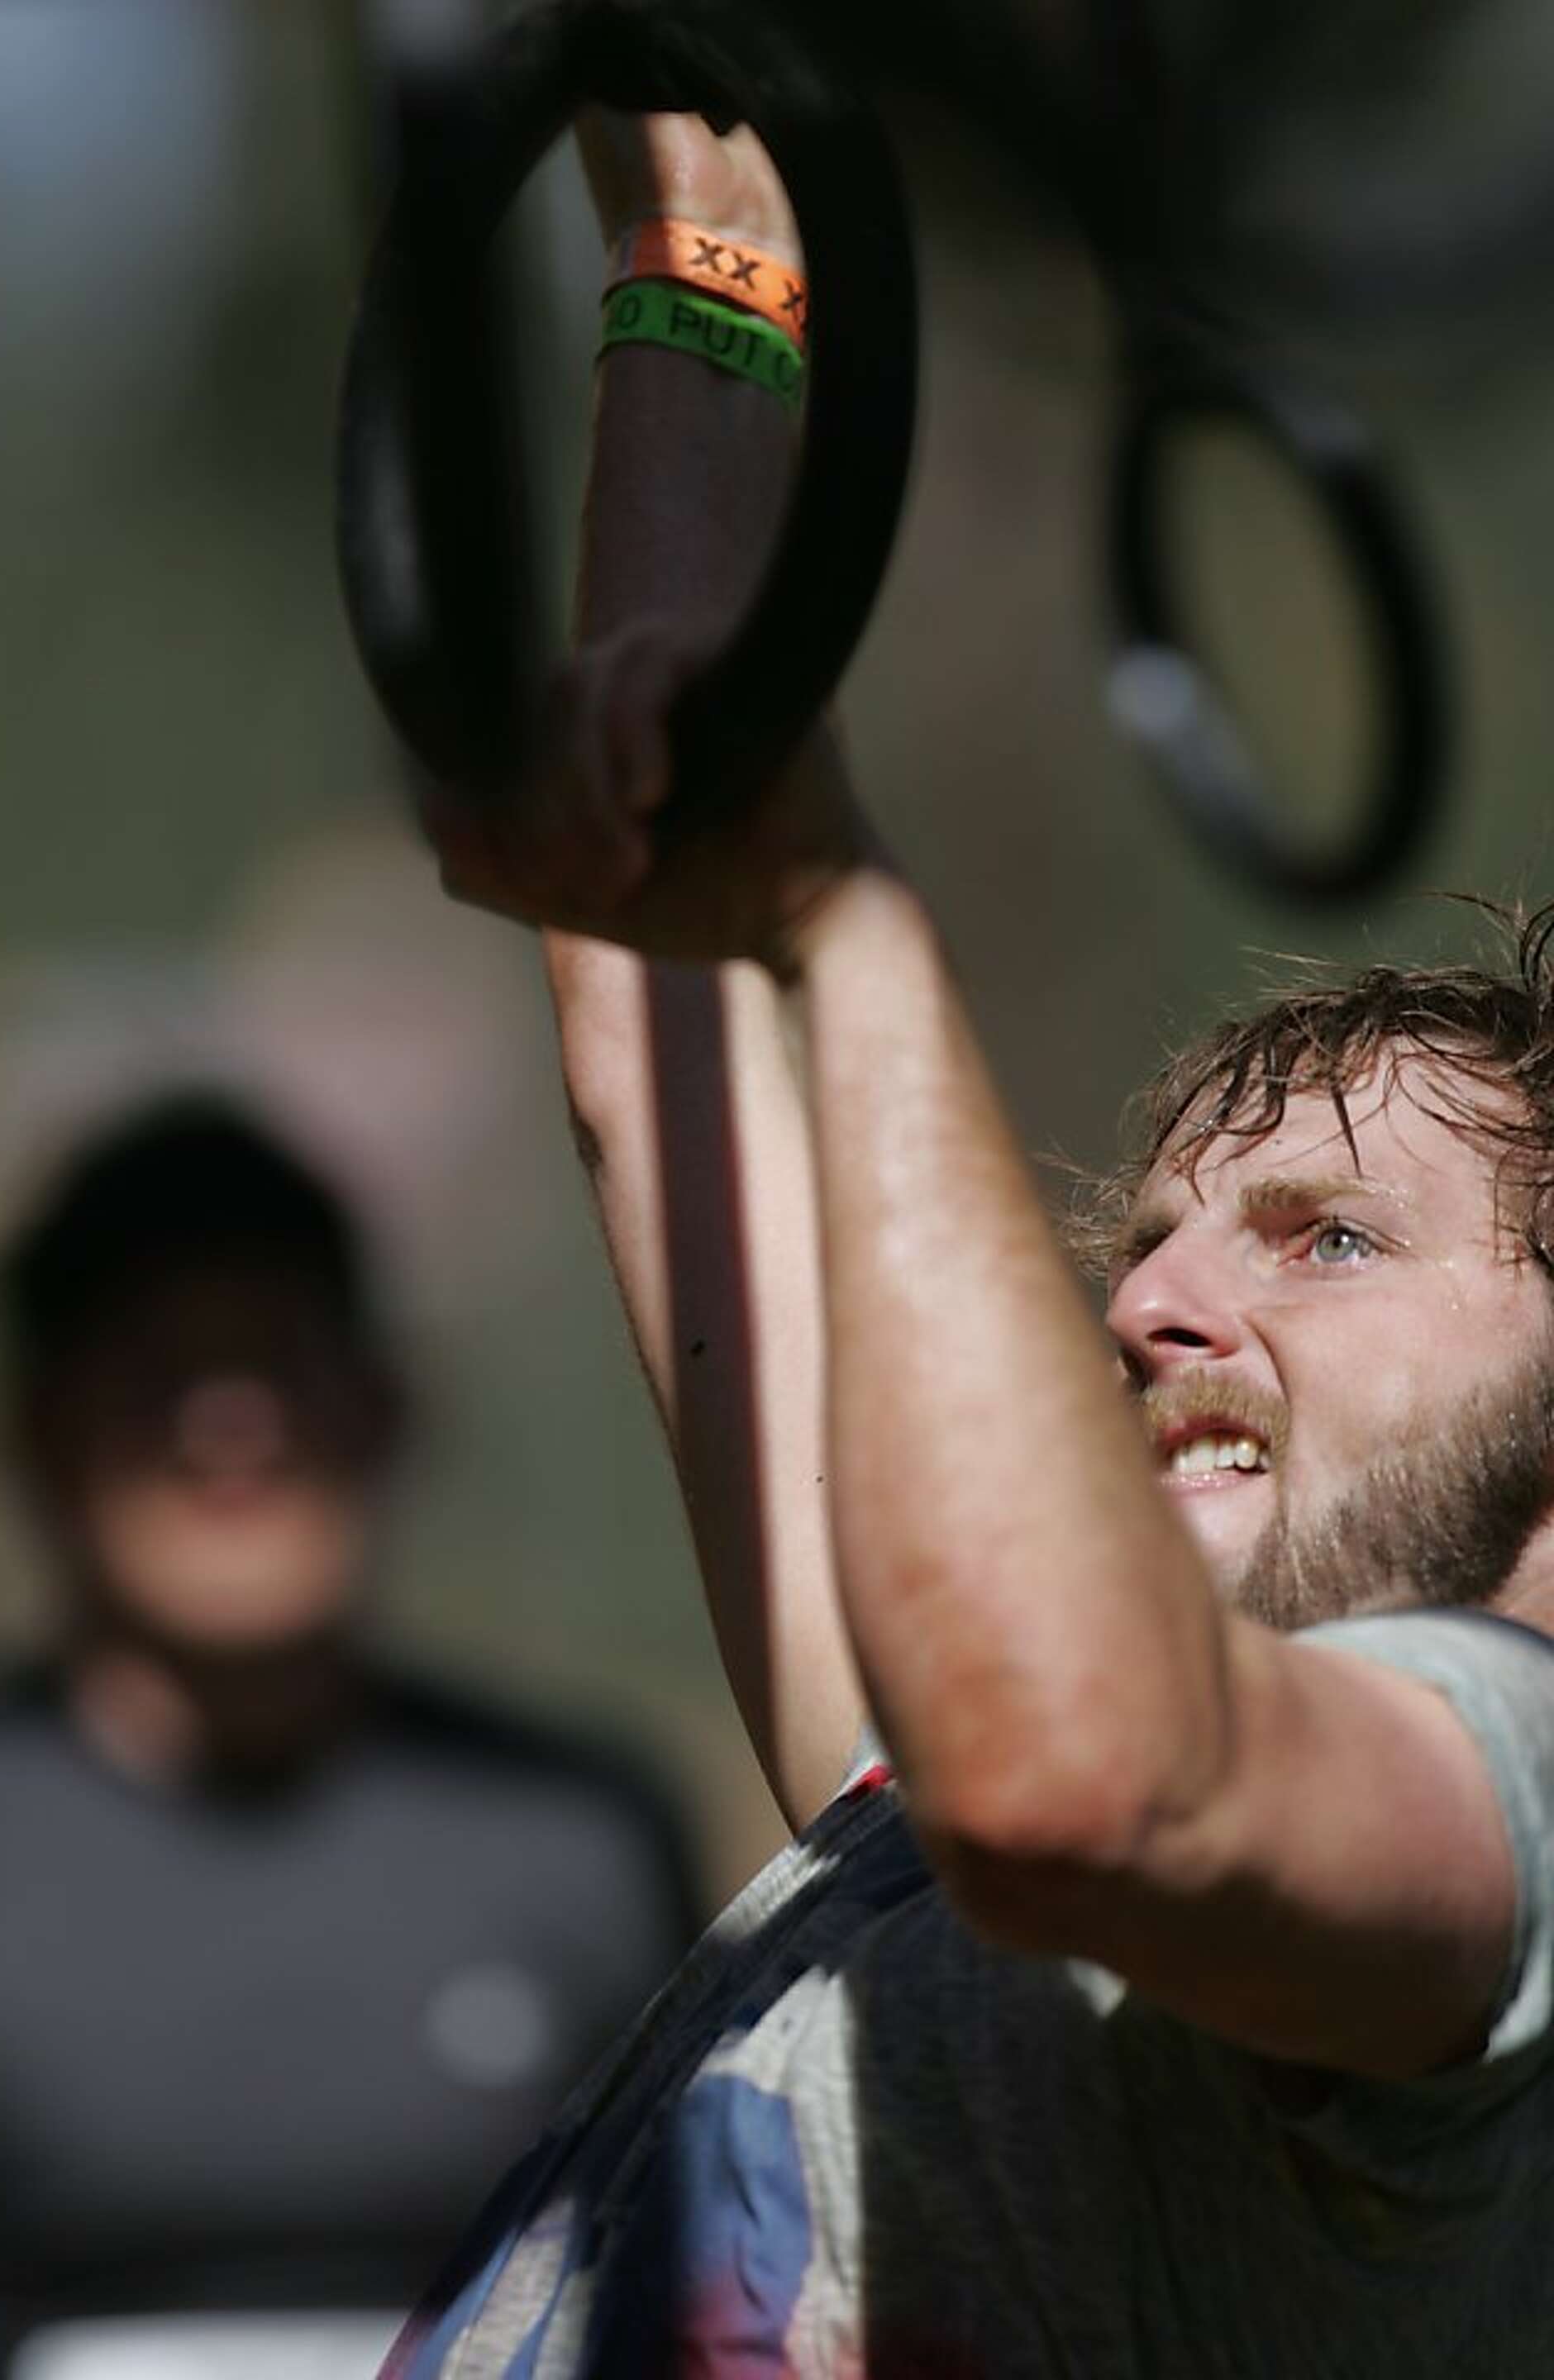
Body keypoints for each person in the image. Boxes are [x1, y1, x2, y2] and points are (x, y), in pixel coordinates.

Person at [374, 105, 1554, 2378]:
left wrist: (846, 916)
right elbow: (652, 1020)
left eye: (1327, 1244)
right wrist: (704, 259)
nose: (1151, 1301)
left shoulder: (1501, 1816)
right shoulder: (924, 1823)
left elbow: (1086, 1778)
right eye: (1173, 1232)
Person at [0, 1093, 698, 2378]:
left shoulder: (577, 1834)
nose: (232, 1431)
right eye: (162, 1374)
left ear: (383, 1406)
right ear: (39, 1433)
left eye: (277, 1361)